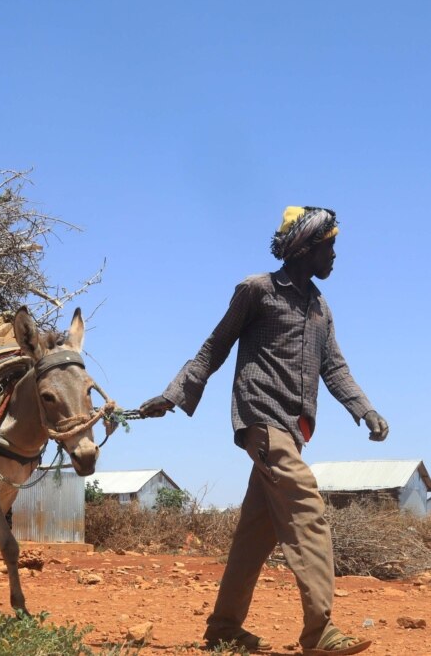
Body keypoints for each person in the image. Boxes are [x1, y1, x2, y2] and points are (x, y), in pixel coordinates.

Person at [140, 206, 389, 655]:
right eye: (329, 246)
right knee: (307, 510)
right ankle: (320, 633)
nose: (335, 256)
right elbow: (214, 346)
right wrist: (173, 396)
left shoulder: (319, 307)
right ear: (306, 248)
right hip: (262, 423)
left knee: (255, 535)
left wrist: (365, 410)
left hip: (292, 432)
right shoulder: (258, 291)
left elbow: (334, 366)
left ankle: (224, 629)